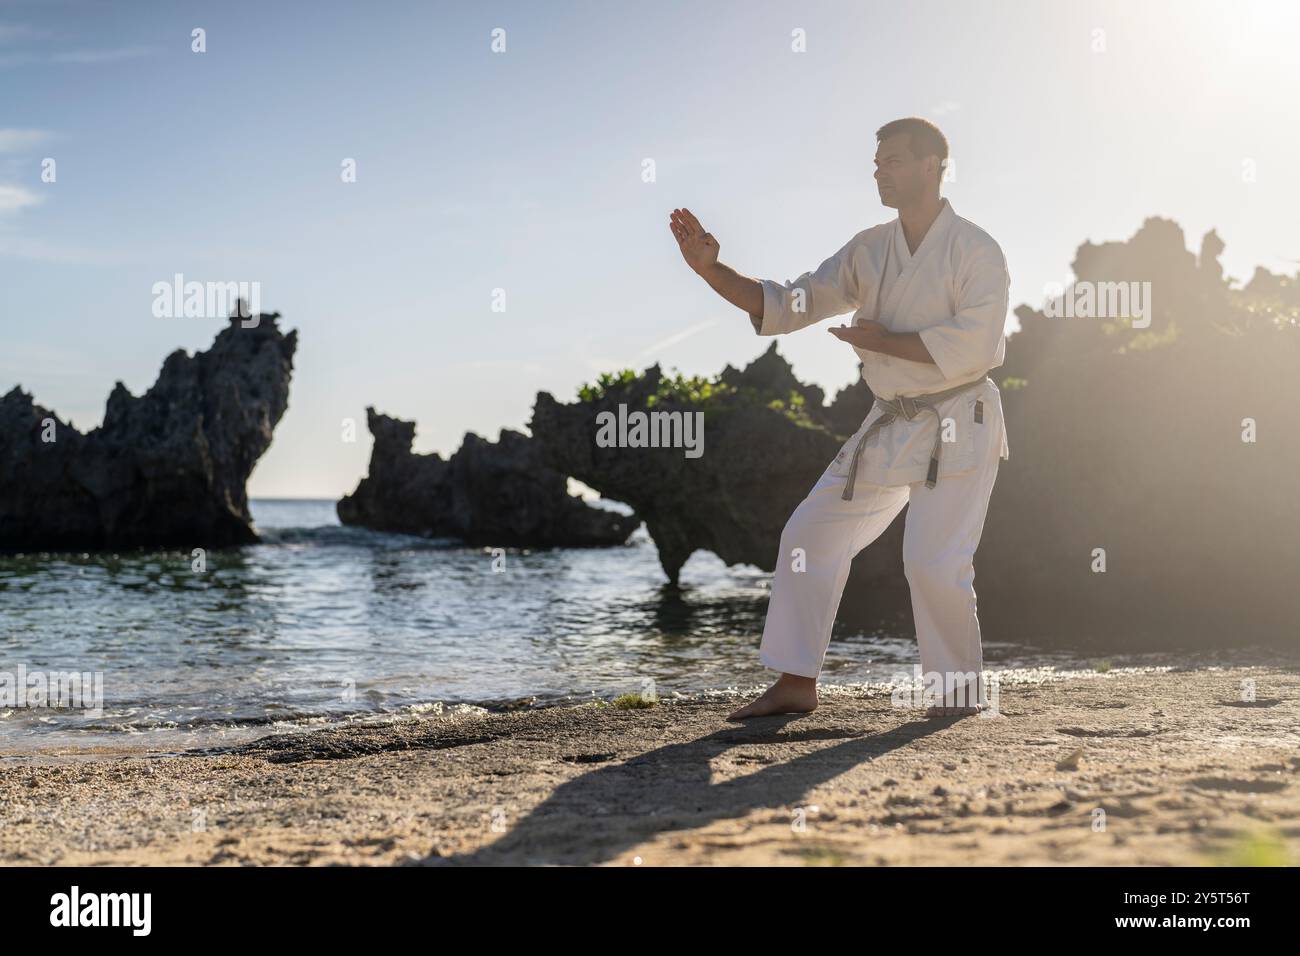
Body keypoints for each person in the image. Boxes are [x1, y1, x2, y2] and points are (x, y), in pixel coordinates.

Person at [668, 116, 1010, 720]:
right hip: (889, 419)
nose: (879, 170)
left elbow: (977, 348)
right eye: (877, 161)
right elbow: (792, 302)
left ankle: (957, 694)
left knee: (932, 563)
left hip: (961, 418)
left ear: (933, 166)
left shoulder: (976, 249)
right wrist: (712, 271)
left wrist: (884, 340)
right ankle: (796, 682)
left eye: (894, 161)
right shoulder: (869, 248)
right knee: (808, 535)